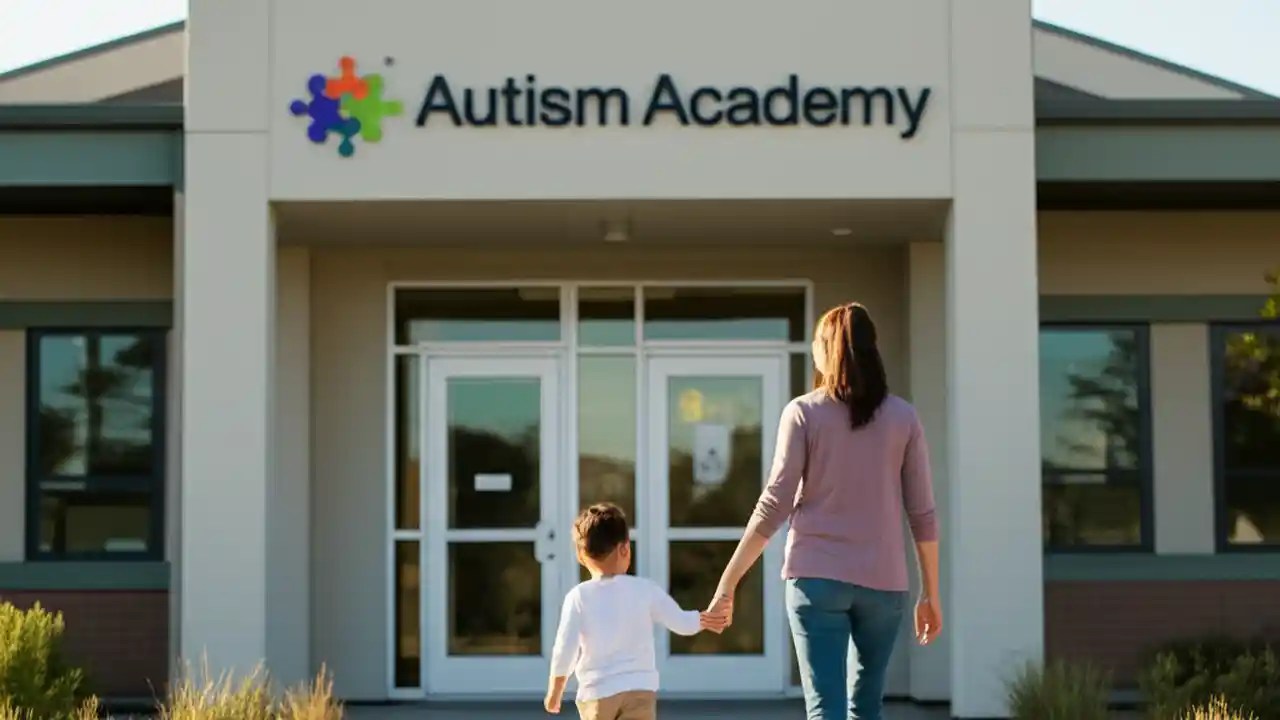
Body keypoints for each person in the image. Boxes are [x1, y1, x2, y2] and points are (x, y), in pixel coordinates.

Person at [707, 302, 942, 720]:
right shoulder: (903, 417)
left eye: (817, 341)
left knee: (825, 711)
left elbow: (774, 504)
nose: (814, 350)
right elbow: (922, 512)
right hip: (885, 585)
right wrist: (931, 594)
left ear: (829, 349)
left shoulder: (803, 413)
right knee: (866, 708)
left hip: (816, 580)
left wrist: (728, 582)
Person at [545, 503, 727, 719]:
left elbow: (565, 649)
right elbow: (680, 622)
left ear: (580, 556)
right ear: (625, 549)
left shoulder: (579, 597)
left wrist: (555, 691)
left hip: (598, 694)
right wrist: (705, 619)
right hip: (640, 689)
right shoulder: (645, 589)